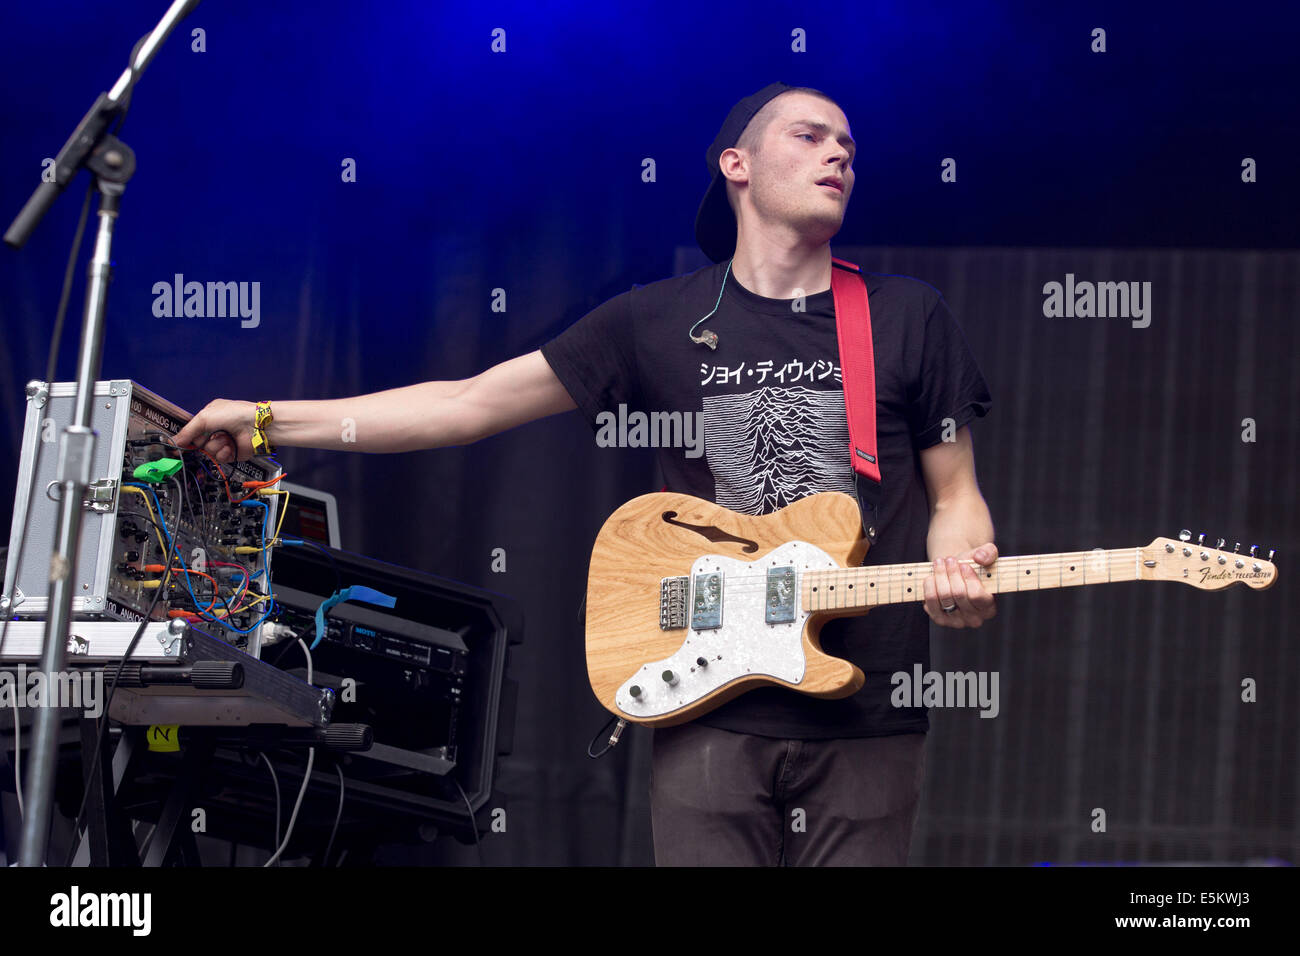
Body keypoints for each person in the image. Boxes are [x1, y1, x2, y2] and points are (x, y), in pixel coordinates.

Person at [174, 81, 998, 866]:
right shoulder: (657, 319)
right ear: (736, 165)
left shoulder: (904, 314)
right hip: (705, 692)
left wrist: (964, 563)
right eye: (810, 137)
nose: (839, 157)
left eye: (849, 146)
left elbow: (956, 498)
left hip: (869, 710)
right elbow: (466, 404)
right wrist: (266, 418)